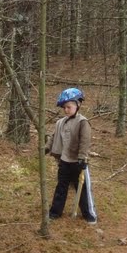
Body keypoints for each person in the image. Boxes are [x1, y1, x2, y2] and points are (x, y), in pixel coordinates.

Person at [45, 87, 98, 225]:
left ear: (78, 105)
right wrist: (46, 148)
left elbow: (85, 141)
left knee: (83, 189)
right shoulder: (60, 122)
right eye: (64, 107)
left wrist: (82, 157)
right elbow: (53, 137)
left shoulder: (82, 122)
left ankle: (89, 214)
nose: (66, 110)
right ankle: (55, 212)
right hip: (64, 162)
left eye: (69, 107)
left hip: (78, 162)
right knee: (61, 187)